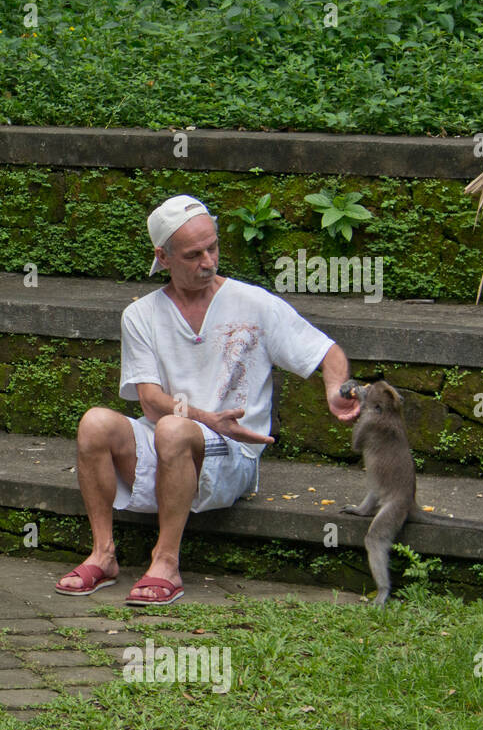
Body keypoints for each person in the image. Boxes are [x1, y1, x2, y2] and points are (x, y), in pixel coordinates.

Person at [54, 195, 359, 605]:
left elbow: (327, 352)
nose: (208, 261)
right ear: (163, 257)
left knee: (174, 430)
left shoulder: (254, 303)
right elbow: (149, 400)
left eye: (212, 247)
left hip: (233, 452)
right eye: (193, 254)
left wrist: (335, 389)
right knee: (95, 421)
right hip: (173, 432)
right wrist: (205, 418)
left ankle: (165, 562)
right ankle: (103, 554)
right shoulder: (141, 315)